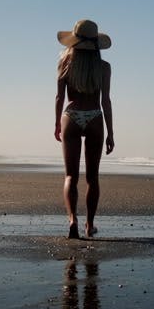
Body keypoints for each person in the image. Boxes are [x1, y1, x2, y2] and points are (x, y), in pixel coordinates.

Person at [55, 19, 114, 239]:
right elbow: (106, 101)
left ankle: (72, 220)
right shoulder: (104, 67)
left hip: (71, 115)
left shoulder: (65, 62)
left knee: (70, 175)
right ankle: (89, 225)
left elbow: (60, 96)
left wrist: (55, 123)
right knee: (92, 177)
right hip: (94, 117)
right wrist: (110, 132)